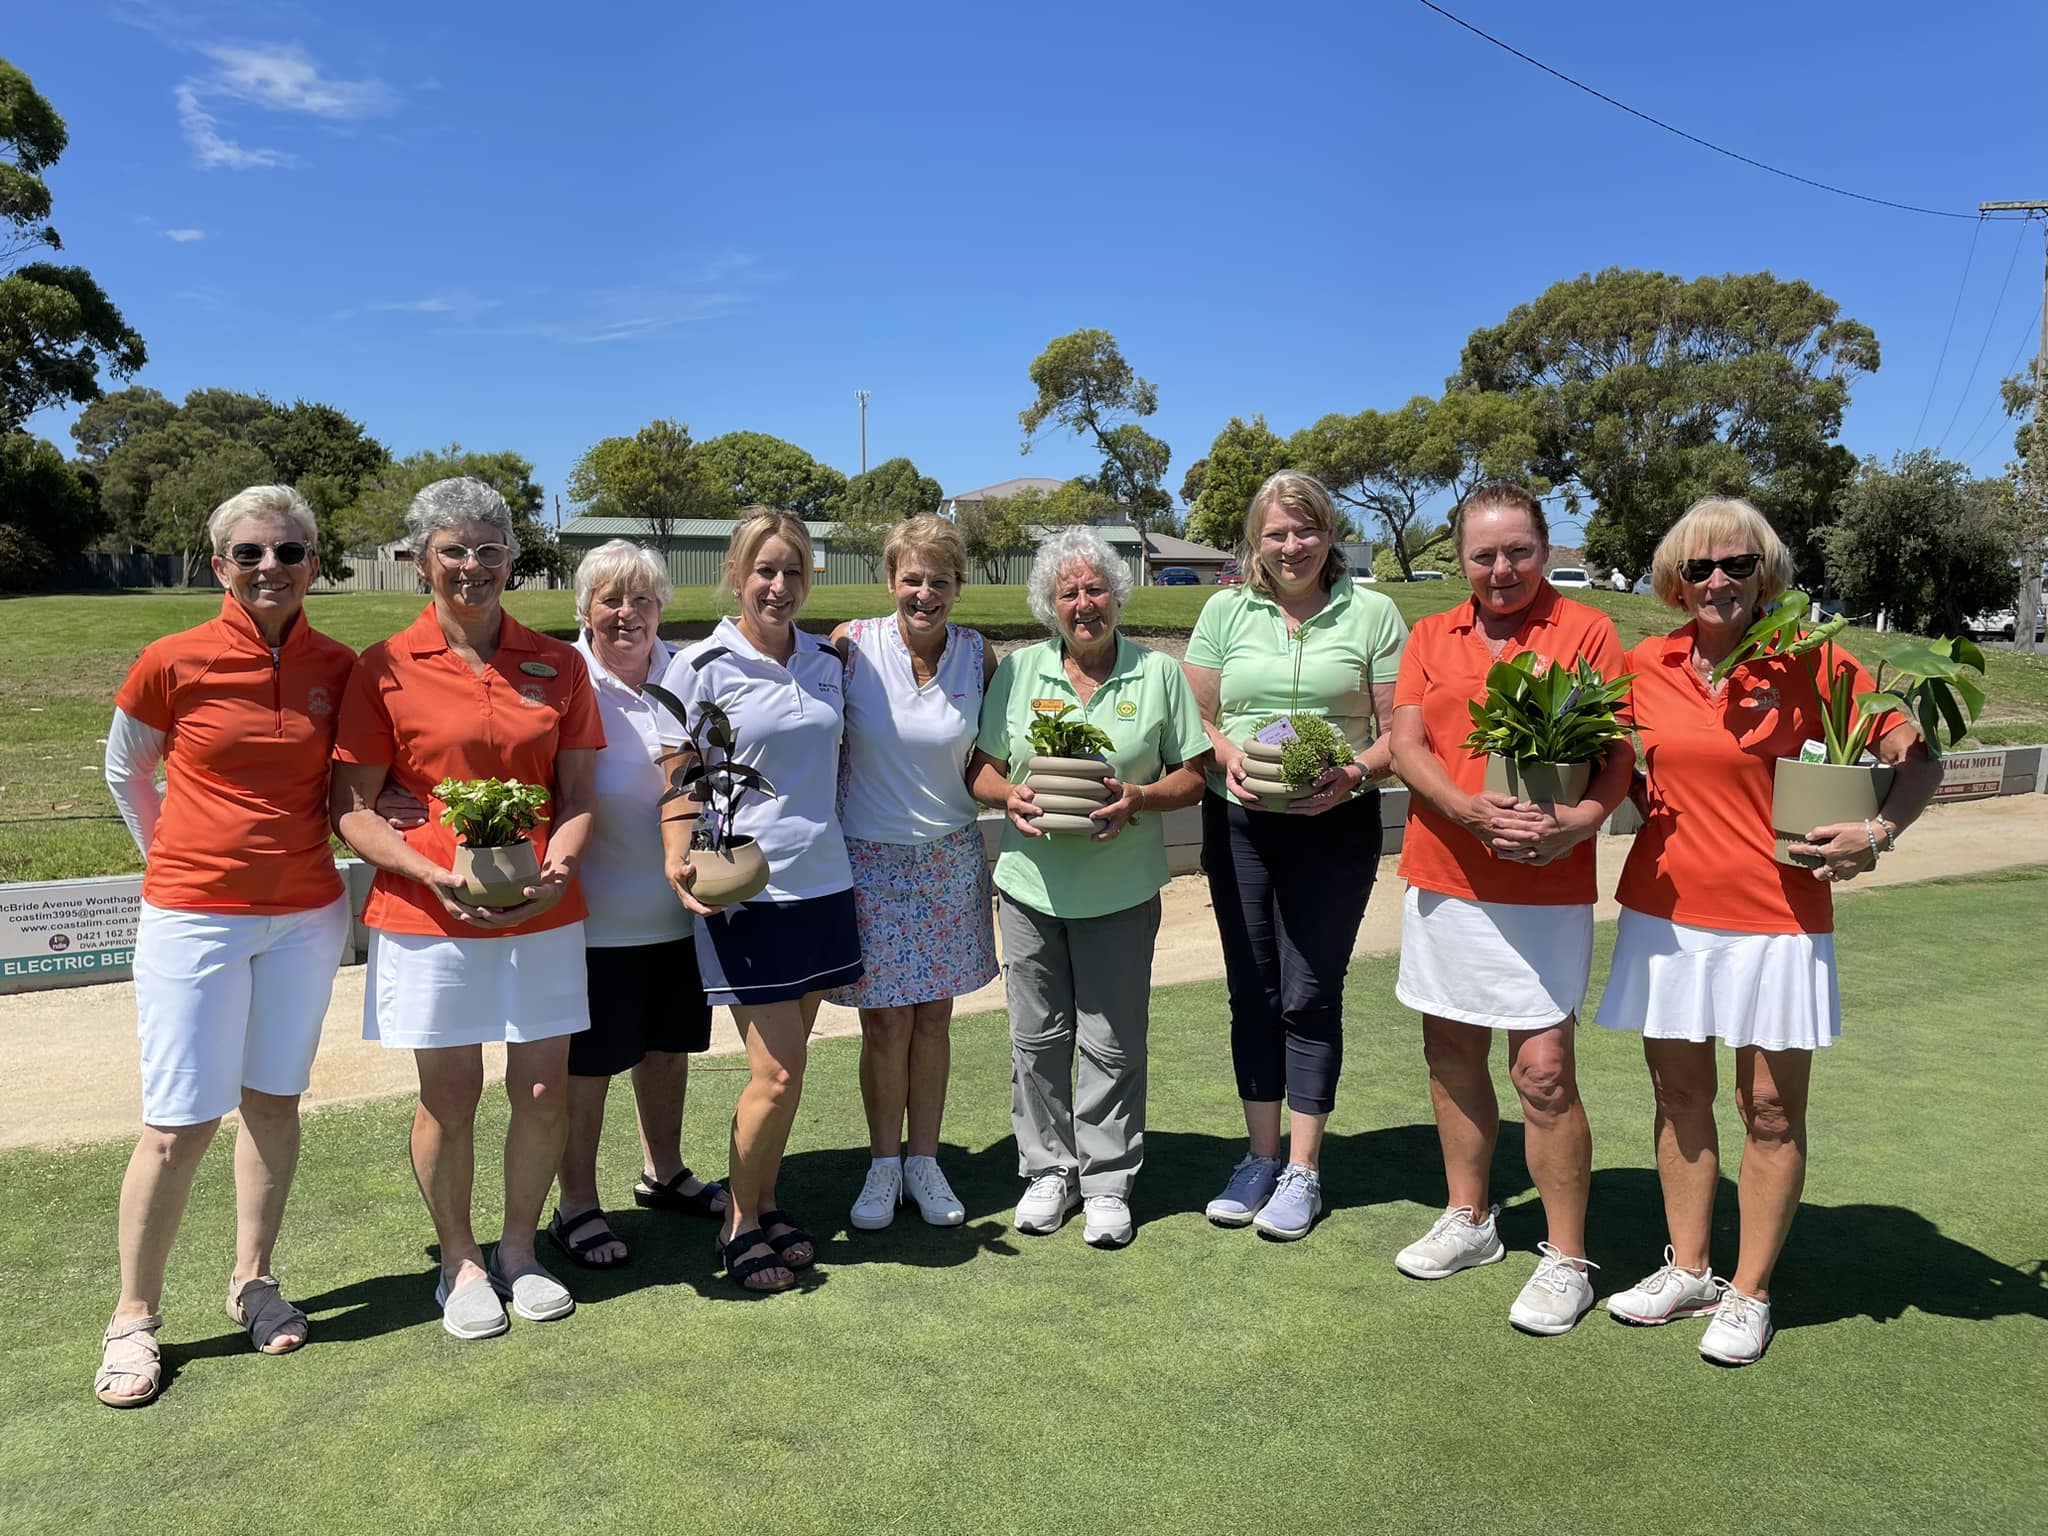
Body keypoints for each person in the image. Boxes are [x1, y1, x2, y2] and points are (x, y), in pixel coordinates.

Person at [1595, 498, 1940, 1366]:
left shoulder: (1816, 663)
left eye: (1738, 566)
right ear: (1676, 580)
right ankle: (1691, 1269)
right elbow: (1623, 779)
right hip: (1667, 916)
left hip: (1781, 919)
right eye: (1700, 568)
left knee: (1771, 1111)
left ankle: (1748, 1293)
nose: (1718, 582)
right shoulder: (1644, 665)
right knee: (1680, 1099)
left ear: (1767, 576)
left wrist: (1878, 832)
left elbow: (1917, 758)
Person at [94, 486, 357, 1407]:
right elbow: (124, 766)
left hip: (308, 914)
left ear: (314, 563)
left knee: (272, 1104)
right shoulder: (174, 660)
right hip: (194, 914)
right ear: (219, 565)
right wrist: (165, 852)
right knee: (177, 1125)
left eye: (289, 552)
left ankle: (252, 1278)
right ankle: (133, 1316)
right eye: (249, 553)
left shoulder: (338, 664)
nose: (270, 568)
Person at [331, 477, 602, 1341]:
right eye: (455, 550)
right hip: (426, 914)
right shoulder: (381, 667)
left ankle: (519, 1250)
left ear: (513, 560)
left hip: (543, 910)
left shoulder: (558, 663)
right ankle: (460, 1262)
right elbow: (353, 807)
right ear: (421, 562)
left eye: (490, 549)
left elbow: (580, 790)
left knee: (540, 1087)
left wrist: (560, 862)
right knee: (449, 1094)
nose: (474, 566)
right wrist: (427, 868)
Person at [1387, 481, 1635, 1335]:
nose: (1502, 570)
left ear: (1544, 548)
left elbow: (1617, 757)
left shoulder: (1588, 631)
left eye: (1518, 551)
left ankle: (1567, 1257)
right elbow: (1409, 743)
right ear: (1460, 560)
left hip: (1545, 884)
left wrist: (1581, 822)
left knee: (1544, 1071)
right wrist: (1463, 808)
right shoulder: (1430, 634)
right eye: (1484, 555)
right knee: (1450, 1048)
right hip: (1446, 875)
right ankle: (1472, 1218)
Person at [969, 527, 1210, 1250]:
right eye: (1068, 592)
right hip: (1029, 888)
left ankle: (1107, 1180)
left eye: (1095, 588)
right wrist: (1007, 797)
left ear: (1117, 595)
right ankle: (1049, 1170)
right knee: (1035, 1037)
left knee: (1112, 1043)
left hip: (1121, 889)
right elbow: (981, 767)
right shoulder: (1018, 673)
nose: (1083, 604)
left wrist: (1137, 798)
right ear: (1049, 603)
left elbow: (1194, 776)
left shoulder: (1157, 675)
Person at [1182, 471, 1407, 1240]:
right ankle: (1258, 1157)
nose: (1291, 546)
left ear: (1329, 533)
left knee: (1310, 992)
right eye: (1276, 532)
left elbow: (1397, 733)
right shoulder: (1224, 609)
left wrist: (1352, 772)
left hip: (1336, 822)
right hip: (1240, 823)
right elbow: (1197, 714)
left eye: (1306, 530)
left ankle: (1304, 1170)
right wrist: (1223, 756)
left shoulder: (1372, 612)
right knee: (1253, 990)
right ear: (1255, 540)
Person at [658, 509, 862, 1293]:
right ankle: (739, 1225)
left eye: (794, 572)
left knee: (791, 1067)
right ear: (737, 576)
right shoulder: (703, 663)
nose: (779, 586)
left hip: (825, 883)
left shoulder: (825, 659)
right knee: (773, 1074)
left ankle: (765, 1198)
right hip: (749, 892)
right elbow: (677, 774)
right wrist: (678, 855)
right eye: (765, 571)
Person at [547, 539, 726, 1268]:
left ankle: (665, 1170)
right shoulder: (564, 676)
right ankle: (577, 1203)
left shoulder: (684, 672)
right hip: (590, 915)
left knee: (667, 1050)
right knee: (586, 1068)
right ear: (585, 610)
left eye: (642, 599)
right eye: (611, 600)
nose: (627, 614)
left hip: (678, 909)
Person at [827, 516, 999, 1232]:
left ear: (959, 588)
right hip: (868, 858)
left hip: (948, 859)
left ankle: (924, 1162)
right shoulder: (849, 647)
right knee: (885, 1023)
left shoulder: (977, 656)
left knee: (933, 1019)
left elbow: (988, 757)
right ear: (891, 579)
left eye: (940, 580)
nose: (924, 593)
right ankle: (881, 1166)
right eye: (912, 578)